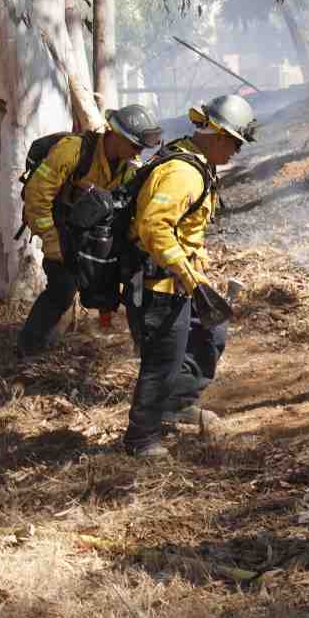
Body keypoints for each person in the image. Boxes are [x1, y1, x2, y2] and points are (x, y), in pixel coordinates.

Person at [121, 94, 257, 457]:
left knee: (211, 333)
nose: (236, 153)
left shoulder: (196, 161)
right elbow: (154, 228)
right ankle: (142, 438)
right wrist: (188, 275)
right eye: (234, 143)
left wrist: (195, 271)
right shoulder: (182, 173)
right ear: (216, 134)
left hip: (182, 277)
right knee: (163, 360)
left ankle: (177, 406)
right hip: (159, 283)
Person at [16, 105, 163, 357]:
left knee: (120, 279)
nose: (138, 153)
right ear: (116, 135)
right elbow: (36, 196)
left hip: (94, 230)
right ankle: (28, 348)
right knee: (62, 289)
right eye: (135, 146)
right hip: (59, 228)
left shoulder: (129, 167)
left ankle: (139, 347)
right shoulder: (73, 151)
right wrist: (51, 241)